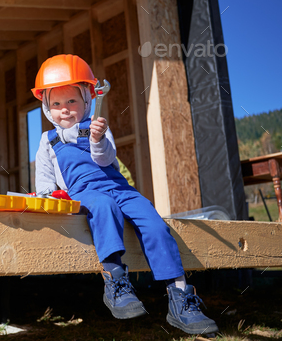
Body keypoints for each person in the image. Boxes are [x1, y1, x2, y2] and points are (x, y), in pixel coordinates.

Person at [31, 54, 218, 335]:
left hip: (120, 189)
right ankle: (116, 282)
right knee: (104, 205)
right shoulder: (49, 140)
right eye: (56, 104)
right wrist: (47, 198)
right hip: (85, 194)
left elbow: (106, 160)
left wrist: (97, 139)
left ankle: (181, 299)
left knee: (153, 222)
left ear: (87, 100)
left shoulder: (98, 127)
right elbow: (45, 181)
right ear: (47, 107)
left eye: (71, 101)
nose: (65, 109)